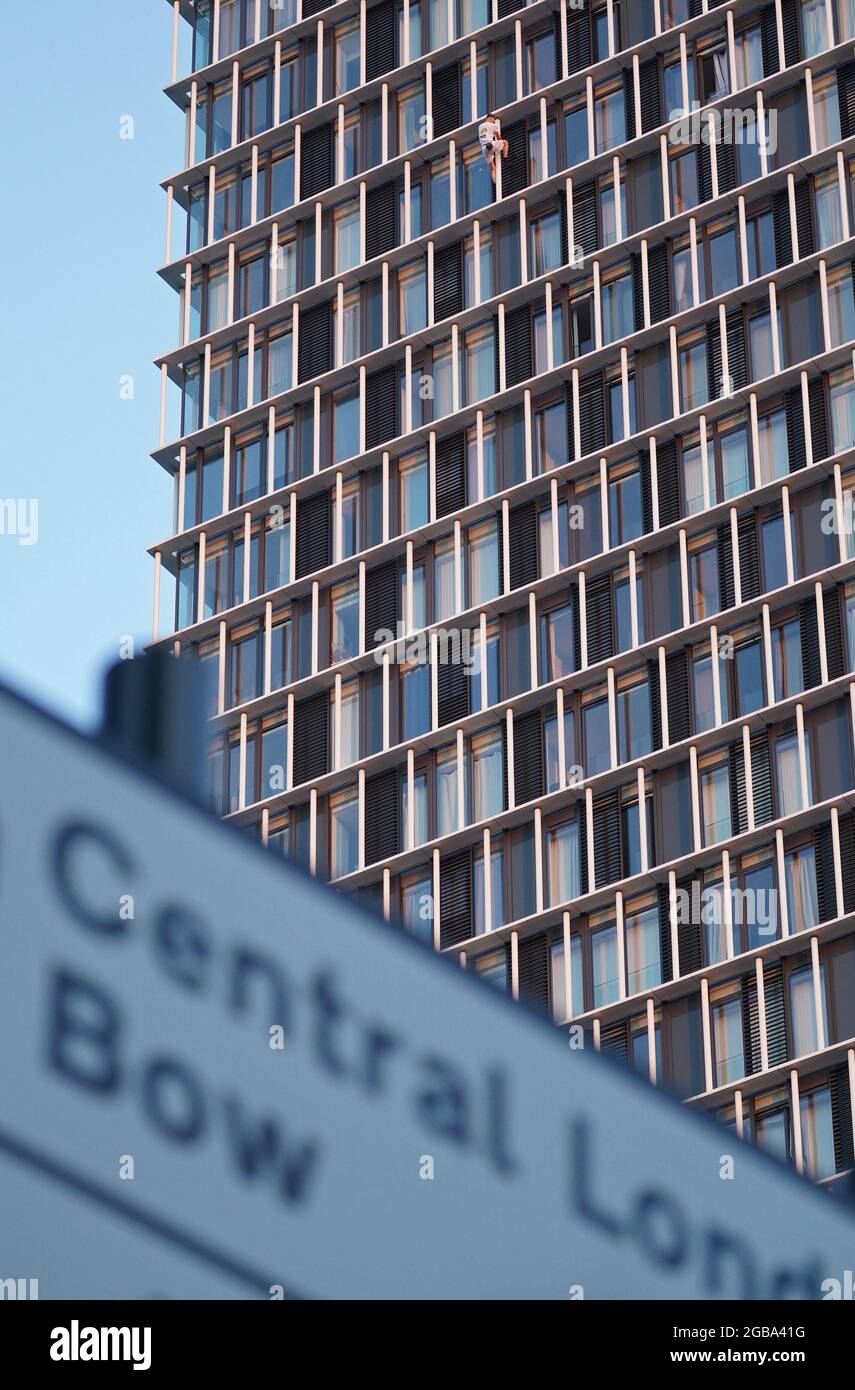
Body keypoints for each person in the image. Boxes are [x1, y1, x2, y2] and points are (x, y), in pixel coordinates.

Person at [478, 113, 509, 184]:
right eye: (493, 119)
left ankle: (495, 182)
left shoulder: (480, 126)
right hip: (491, 144)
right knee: (505, 143)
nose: (493, 121)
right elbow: (498, 137)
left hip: (484, 148)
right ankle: (505, 159)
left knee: (492, 168)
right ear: (490, 118)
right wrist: (500, 143)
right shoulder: (493, 125)